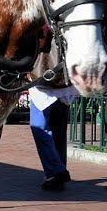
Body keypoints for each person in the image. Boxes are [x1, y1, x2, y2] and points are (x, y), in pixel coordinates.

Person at [28, 28, 79, 191]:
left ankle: (55, 170)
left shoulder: (42, 19)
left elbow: (38, 42)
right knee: (59, 127)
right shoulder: (68, 22)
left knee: (39, 127)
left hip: (45, 78)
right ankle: (58, 169)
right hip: (65, 79)